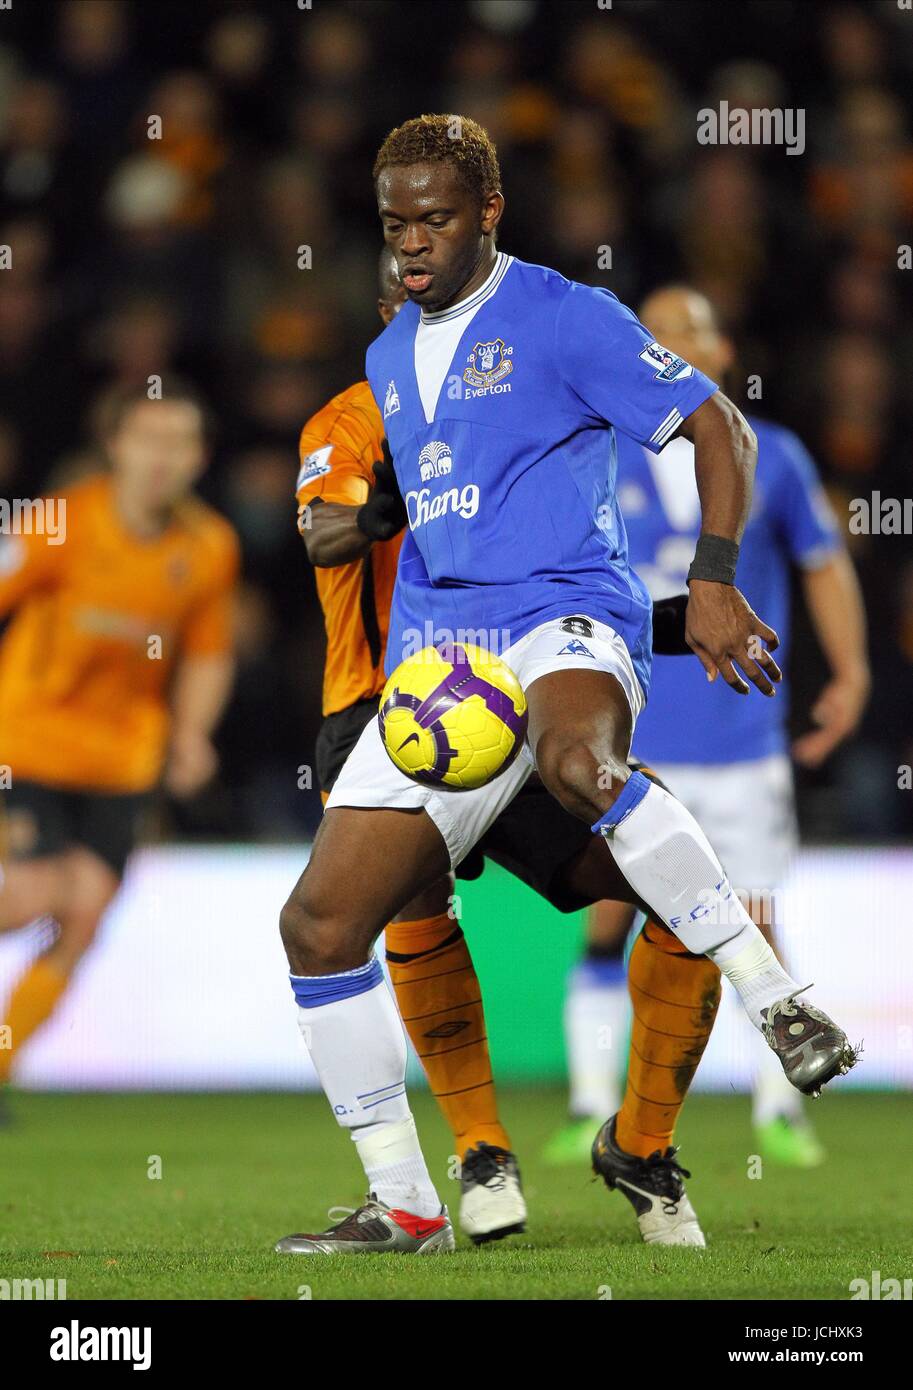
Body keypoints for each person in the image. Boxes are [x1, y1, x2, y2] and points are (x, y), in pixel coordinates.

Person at [274, 114, 856, 1257]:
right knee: (319, 923)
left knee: (581, 762)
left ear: (489, 212)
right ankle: (407, 1201)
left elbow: (713, 421)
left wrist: (717, 580)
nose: (412, 244)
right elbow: (426, 529)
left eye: (436, 219)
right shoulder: (389, 360)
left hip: (565, 619)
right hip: (441, 671)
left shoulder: (561, 313)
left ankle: (777, 998)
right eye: (396, 224)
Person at [294, 249, 732, 1248]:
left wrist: (689, 612)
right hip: (387, 711)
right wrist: (396, 500)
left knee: (680, 880)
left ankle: (640, 1144)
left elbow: (561, 589)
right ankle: (475, 1153)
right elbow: (323, 532)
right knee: (391, 912)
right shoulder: (352, 418)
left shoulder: (530, 423)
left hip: (526, 703)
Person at [543, 286, 869, 1170]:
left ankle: (779, 1111)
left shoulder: (780, 456)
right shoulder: (592, 454)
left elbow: (822, 563)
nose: (672, 349)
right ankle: (587, 1105)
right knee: (610, 916)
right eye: (653, 338)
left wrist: (849, 672)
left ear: (723, 354)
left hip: (740, 739)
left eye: (688, 334)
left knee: (752, 914)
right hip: (631, 733)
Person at [0, 383, 238, 1090]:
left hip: (123, 761)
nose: (162, 457)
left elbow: (207, 652)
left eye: (179, 441)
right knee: (39, 894)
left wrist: (192, 734)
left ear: (199, 456)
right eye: (147, 438)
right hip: (28, 744)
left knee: (86, 918)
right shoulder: (57, 523)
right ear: (116, 447)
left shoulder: (208, 546)